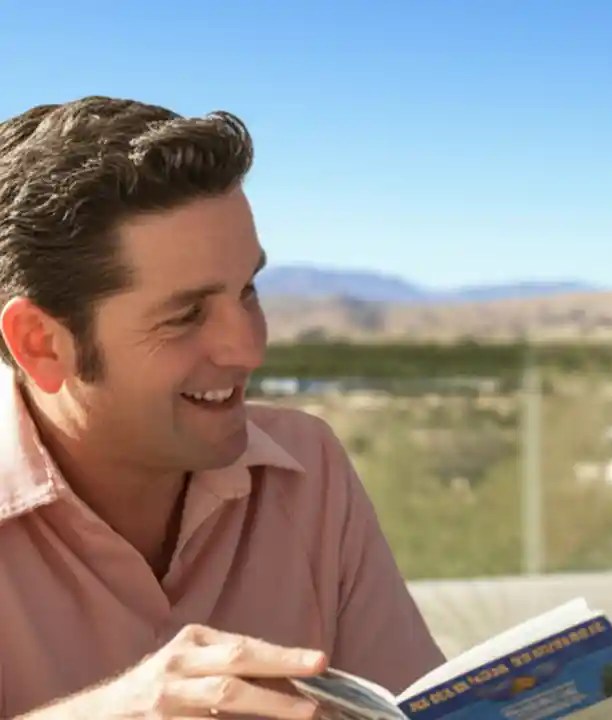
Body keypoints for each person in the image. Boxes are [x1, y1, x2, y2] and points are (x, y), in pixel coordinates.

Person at [0, 96, 445, 718]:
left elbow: (412, 706)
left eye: (248, 291)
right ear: (42, 344)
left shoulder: (307, 470)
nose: (250, 348)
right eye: (185, 316)